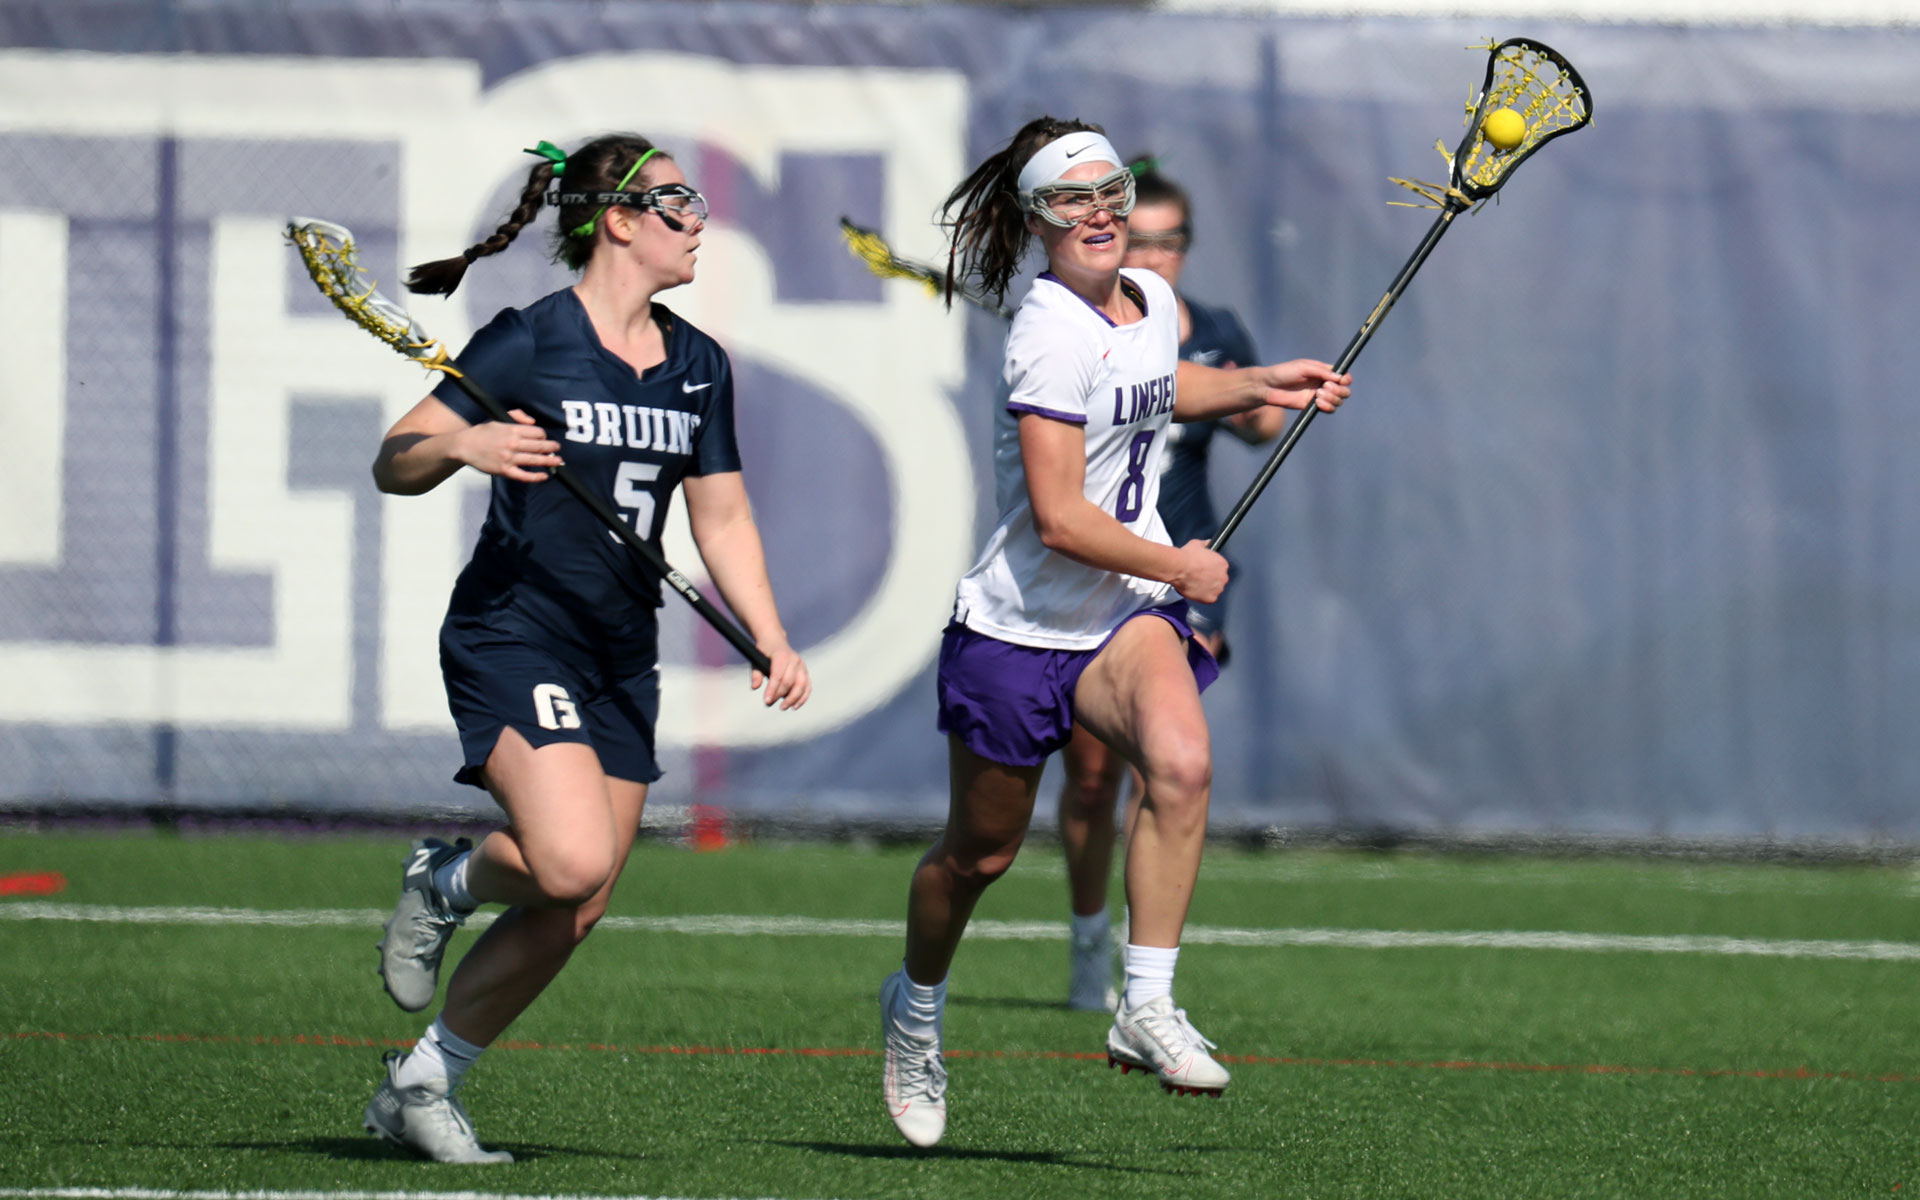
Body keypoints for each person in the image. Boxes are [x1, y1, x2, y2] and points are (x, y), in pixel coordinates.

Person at [878, 117, 1349, 1148]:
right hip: (1019, 629)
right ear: (1036, 219)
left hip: (1120, 615)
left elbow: (1159, 388)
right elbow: (1058, 519)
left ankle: (1145, 1002)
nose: (1097, 213)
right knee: (978, 858)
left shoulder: (1153, 300)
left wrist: (1262, 383)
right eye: (1070, 198)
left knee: (1181, 766)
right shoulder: (1046, 331)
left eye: (1109, 194)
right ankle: (914, 1006)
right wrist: (1181, 565)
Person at [362, 133, 811, 1164]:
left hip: (619, 654)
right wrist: (465, 443)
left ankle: (423, 1084)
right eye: (677, 204)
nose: (697, 223)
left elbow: (722, 517)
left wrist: (770, 634)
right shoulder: (528, 340)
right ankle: (443, 881)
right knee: (570, 860)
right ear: (617, 220)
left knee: (581, 899)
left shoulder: (698, 364)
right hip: (515, 632)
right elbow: (396, 459)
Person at [1056, 157, 1288, 1013]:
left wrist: (1258, 395)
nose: (1152, 257)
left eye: (1169, 242)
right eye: (1139, 240)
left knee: (1167, 765)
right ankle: (1087, 934)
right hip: (1094, 571)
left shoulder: (1213, 329)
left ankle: (1143, 967)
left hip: (1185, 571)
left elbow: (1262, 425)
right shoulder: (1083, 327)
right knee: (1091, 778)